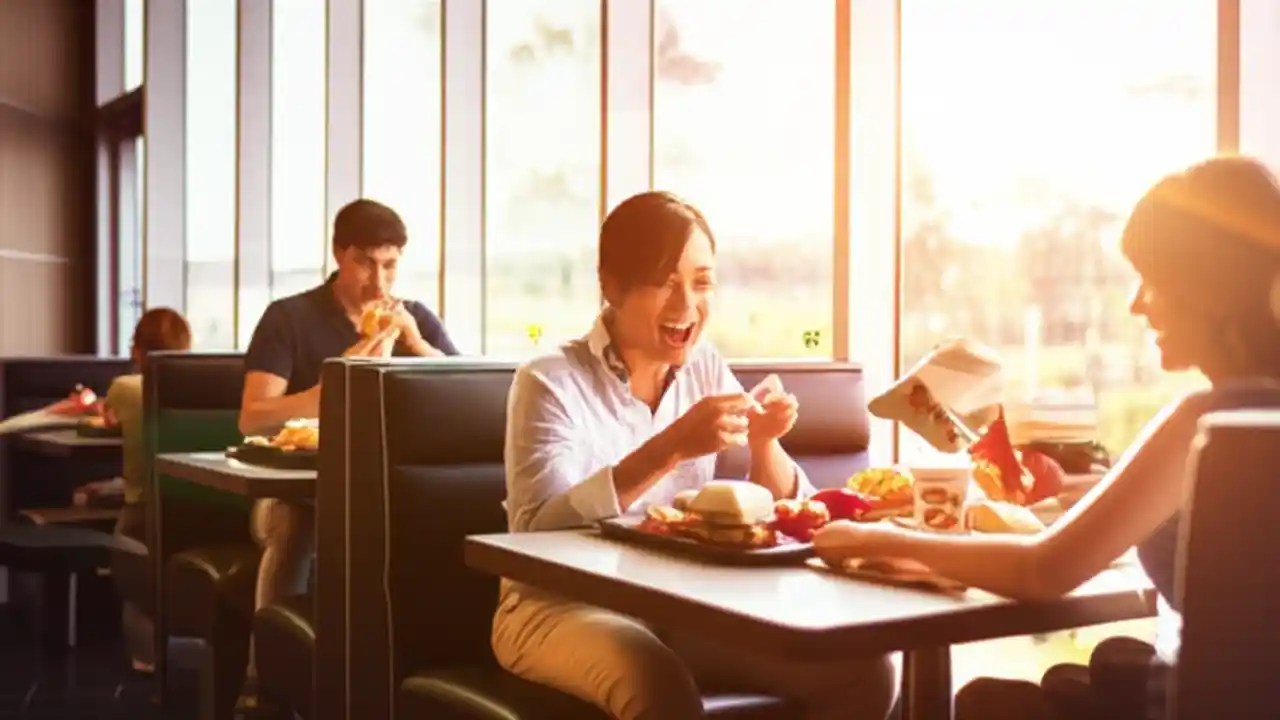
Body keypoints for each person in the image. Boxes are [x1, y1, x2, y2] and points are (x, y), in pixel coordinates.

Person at [813, 156, 1280, 720]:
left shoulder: (1206, 424)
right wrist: (1099, 491)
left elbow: (1044, 571)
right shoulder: (1257, 430)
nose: (1137, 304)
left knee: (986, 705)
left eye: (1152, 281)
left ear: (1205, 291)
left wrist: (882, 541)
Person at [495, 190, 900, 720]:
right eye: (665, 281)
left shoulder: (703, 367)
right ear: (611, 286)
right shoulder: (549, 381)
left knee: (863, 669)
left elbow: (776, 509)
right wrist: (670, 448)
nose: (687, 304)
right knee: (653, 677)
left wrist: (764, 441)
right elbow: (535, 537)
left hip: (675, 606)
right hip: (551, 609)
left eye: (702, 281)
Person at [238, 198, 459, 682]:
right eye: (365, 263)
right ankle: (266, 682)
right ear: (340, 254)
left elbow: (463, 396)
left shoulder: (414, 318)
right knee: (295, 523)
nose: (378, 283)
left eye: (390, 266)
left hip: (385, 491)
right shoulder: (288, 318)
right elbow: (252, 419)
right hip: (294, 491)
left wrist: (417, 345)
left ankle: (413, 676)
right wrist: (331, 388)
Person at [102, 307, 194, 674]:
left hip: (143, 507)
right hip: (194, 505)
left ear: (137, 350)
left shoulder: (125, 387)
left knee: (135, 585)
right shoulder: (200, 386)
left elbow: (107, 419)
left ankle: (145, 662)